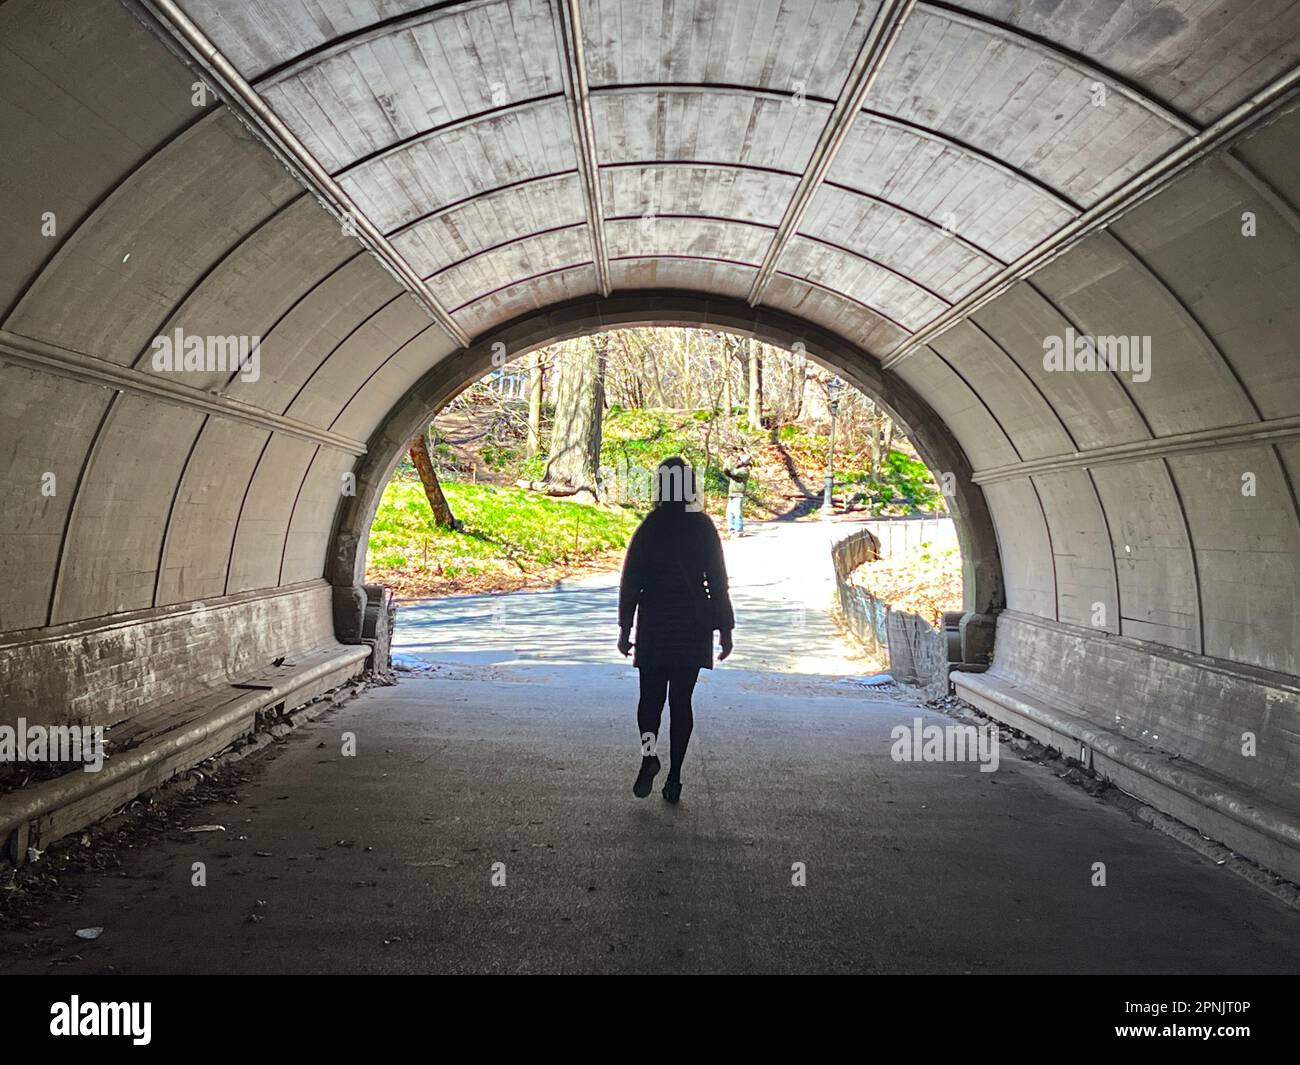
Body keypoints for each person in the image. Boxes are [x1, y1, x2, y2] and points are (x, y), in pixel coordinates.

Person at [618, 457, 735, 803]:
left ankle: (649, 755)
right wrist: (725, 629)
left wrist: (625, 627)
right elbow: (718, 581)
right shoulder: (702, 527)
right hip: (692, 625)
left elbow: (631, 580)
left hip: (655, 622)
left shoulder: (650, 527)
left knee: (649, 701)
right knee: (681, 703)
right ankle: (675, 777)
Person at [722, 451, 751, 537]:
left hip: (738, 495)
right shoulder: (738, 469)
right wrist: (726, 462)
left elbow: (733, 472)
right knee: (729, 514)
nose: (737, 461)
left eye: (739, 460)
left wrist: (728, 461)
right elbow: (727, 472)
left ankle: (739, 530)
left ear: (743, 462)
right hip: (731, 494)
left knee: (737, 513)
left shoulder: (744, 471)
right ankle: (732, 531)